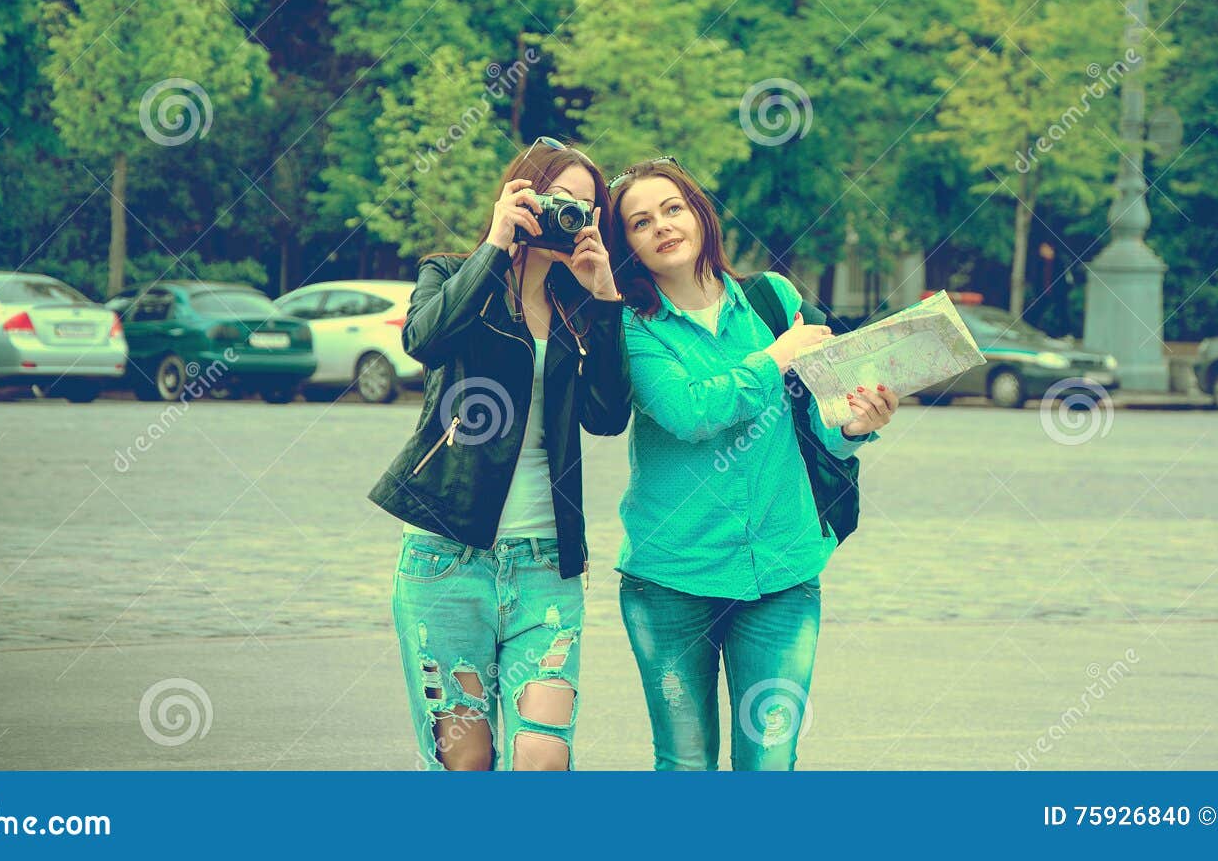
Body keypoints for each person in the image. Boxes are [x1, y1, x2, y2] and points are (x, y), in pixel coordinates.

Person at [608, 156, 896, 770]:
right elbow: (691, 412)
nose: (661, 226)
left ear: (700, 215)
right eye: (640, 222)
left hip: (783, 571)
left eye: (673, 209)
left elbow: (819, 419)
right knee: (686, 764)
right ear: (626, 245)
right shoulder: (631, 327)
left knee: (769, 764)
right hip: (671, 578)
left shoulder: (773, 299)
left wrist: (854, 425)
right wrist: (775, 358)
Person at [371, 138, 631, 770]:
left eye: (585, 208)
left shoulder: (577, 305)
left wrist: (605, 299)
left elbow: (607, 417)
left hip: (547, 563)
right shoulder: (449, 274)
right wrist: (495, 246)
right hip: (446, 558)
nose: (570, 216)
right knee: (466, 763)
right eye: (558, 199)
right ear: (522, 195)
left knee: (543, 756)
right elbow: (424, 339)